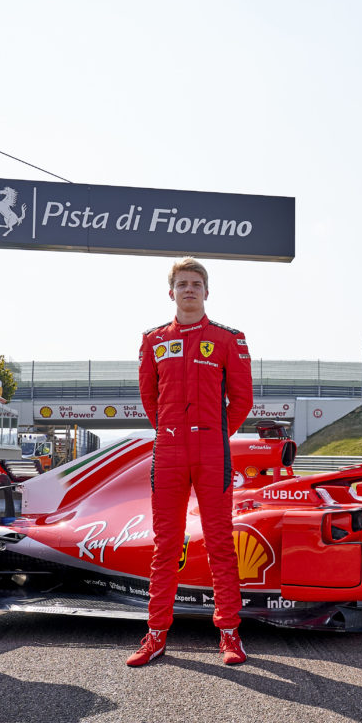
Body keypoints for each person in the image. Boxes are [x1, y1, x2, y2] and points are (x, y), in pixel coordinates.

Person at [128, 258, 253, 667]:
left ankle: (230, 634)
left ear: (206, 291)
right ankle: (156, 634)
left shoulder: (228, 339)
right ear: (171, 292)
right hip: (168, 452)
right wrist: (172, 431)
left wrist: (214, 433)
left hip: (212, 451)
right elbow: (149, 398)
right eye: (182, 283)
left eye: (196, 283)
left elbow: (242, 400)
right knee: (165, 546)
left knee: (220, 543)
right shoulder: (152, 340)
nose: (189, 290)